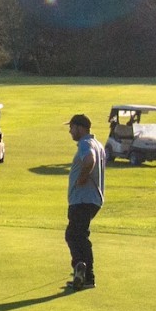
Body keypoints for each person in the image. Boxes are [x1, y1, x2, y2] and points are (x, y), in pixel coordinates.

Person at [64, 113, 107, 290]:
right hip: (92, 199)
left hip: (82, 199)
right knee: (78, 234)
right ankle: (81, 271)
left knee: (75, 235)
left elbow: (89, 160)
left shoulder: (85, 144)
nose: (70, 131)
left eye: (72, 127)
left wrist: (82, 178)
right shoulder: (98, 144)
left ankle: (84, 271)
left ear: (80, 128)